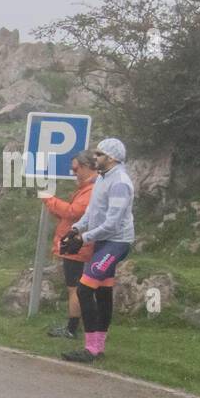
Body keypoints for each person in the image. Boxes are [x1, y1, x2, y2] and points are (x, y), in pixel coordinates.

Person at [59, 138, 135, 364]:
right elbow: (92, 212)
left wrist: (84, 238)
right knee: (102, 292)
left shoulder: (120, 182)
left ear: (111, 158)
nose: (94, 157)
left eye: (99, 154)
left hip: (116, 243)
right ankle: (97, 348)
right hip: (103, 242)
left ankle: (90, 349)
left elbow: (112, 223)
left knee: (84, 289)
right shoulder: (102, 178)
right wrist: (75, 229)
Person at [43, 150, 97, 338]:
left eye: (75, 169)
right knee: (76, 287)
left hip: (78, 246)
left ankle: (72, 329)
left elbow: (75, 212)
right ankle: (75, 326)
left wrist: (49, 199)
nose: (74, 173)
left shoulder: (92, 189)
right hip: (78, 243)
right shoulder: (89, 188)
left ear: (86, 167)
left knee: (74, 288)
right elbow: (72, 214)